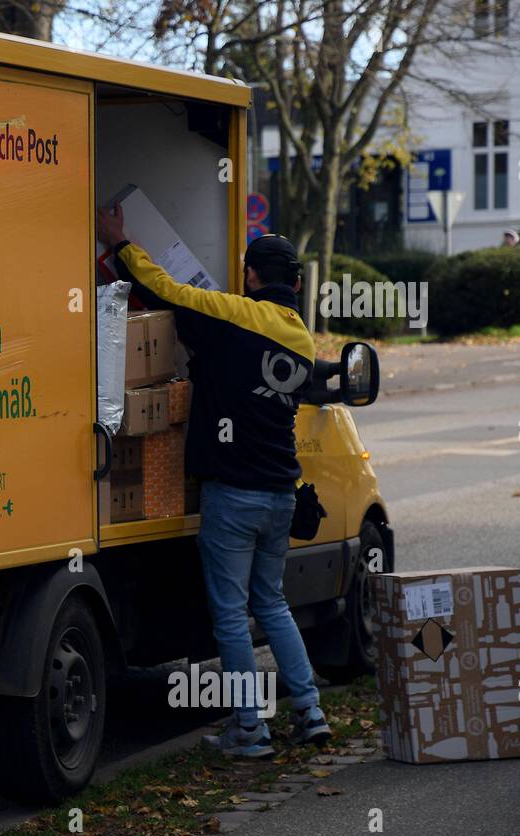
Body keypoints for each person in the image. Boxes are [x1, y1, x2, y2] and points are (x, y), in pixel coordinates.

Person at [97, 205, 332, 758]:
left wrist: (119, 243)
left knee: (230, 614)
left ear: (249, 277)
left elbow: (165, 291)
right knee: (271, 605)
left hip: (232, 494)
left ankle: (249, 730)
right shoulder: (302, 341)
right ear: (297, 283)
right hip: (280, 493)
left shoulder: (230, 315)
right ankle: (311, 712)